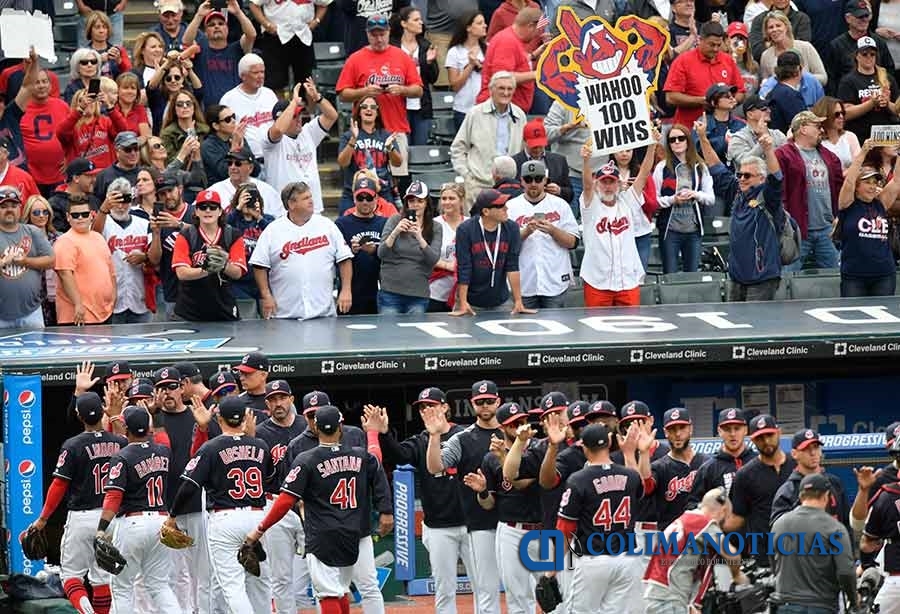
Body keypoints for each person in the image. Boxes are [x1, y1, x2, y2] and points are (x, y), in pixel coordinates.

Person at [243, 405, 394, 614]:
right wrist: (372, 434)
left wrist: (259, 529)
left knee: (329, 593)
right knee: (358, 588)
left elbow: (285, 500)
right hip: (357, 532)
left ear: (315, 427)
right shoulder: (360, 456)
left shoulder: (307, 459)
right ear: (341, 427)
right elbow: (376, 460)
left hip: (324, 535)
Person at [363, 389, 476, 614]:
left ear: (445, 407)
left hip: (471, 523)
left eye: (431, 405)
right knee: (444, 590)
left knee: (482, 586)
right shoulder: (422, 440)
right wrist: (384, 433)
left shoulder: (465, 435)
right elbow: (399, 455)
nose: (426, 410)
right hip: (439, 526)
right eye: (422, 407)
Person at [165, 396, 273, 614]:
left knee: (232, 586)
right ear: (244, 419)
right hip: (257, 517)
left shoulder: (211, 448)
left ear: (219, 418)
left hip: (226, 520)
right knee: (260, 582)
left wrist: (172, 516)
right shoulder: (261, 445)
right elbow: (271, 481)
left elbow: (188, 486)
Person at [25, 393, 125, 614]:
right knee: (102, 579)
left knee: (71, 577)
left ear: (79, 415)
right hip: (111, 517)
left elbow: (59, 485)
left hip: (82, 516)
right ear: (102, 410)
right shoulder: (120, 442)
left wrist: (42, 519)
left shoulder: (73, 444)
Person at [423, 381, 505, 614]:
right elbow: (435, 466)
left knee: (526, 589)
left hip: (515, 520)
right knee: (486, 590)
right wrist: (434, 436)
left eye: (489, 400)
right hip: (481, 524)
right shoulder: (464, 438)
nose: (485, 405)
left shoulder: (510, 432)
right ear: (472, 404)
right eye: (480, 402)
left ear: (498, 401)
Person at [94, 406, 179, 611]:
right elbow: (163, 440)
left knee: (123, 587)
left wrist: (101, 528)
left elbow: (114, 496)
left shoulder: (122, 456)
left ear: (126, 428)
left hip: (133, 522)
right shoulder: (164, 451)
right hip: (161, 521)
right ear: (148, 428)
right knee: (159, 585)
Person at [555, 423, 645, 614]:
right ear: (610, 442)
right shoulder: (630, 476)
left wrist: (550, 572)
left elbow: (565, 529)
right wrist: (629, 454)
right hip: (627, 560)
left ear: (584, 448)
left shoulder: (578, 479)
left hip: (593, 561)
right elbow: (641, 487)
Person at [695, 115, 787, 301]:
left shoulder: (768, 197)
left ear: (761, 178)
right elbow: (715, 166)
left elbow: (777, 178)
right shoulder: (736, 191)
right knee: (735, 326)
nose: (742, 178)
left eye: (747, 175)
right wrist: (703, 137)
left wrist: (768, 150)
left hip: (762, 278)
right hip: (736, 278)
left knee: (758, 325)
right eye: (740, 175)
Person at [253, 381, 314, 614]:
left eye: (282, 398)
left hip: (310, 506)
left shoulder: (307, 424)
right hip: (277, 505)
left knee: (319, 574)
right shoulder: (260, 432)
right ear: (267, 403)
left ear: (291, 399)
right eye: (272, 399)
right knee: (280, 578)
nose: (278, 403)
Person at [250, 182, 353, 320]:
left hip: (323, 313)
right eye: (305, 198)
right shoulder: (272, 230)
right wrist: (266, 295)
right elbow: (259, 265)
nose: (311, 201)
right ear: (291, 204)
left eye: (310, 196)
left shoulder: (327, 226)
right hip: (284, 314)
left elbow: (344, 259)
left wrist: (346, 289)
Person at [579, 133, 658, 308]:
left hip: (627, 280)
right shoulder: (590, 206)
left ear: (619, 184)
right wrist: (586, 162)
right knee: (596, 330)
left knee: (631, 331)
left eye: (612, 182)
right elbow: (586, 185)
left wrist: (652, 145)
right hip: (597, 280)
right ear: (597, 184)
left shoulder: (627, 201)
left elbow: (644, 173)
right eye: (604, 182)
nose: (607, 186)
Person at [643, 488, 746, 613]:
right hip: (669, 601)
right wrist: (737, 576)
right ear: (723, 510)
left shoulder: (685, 518)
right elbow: (731, 555)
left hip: (658, 595)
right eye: (728, 516)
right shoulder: (703, 523)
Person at [770, 473, 858, 613]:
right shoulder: (834, 528)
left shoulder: (778, 525)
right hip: (822, 606)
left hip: (785, 606)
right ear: (826, 496)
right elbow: (846, 572)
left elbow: (775, 565)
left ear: (800, 497)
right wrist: (854, 602)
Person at [506, 158, 579, 309]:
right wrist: (525, 232)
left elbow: (573, 242)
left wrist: (553, 231)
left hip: (555, 279)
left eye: (538, 179)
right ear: (521, 181)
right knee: (525, 329)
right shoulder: (510, 207)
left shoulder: (560, 205)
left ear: (545, 180)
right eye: (528, 179)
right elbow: (504, 246)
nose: (533, 183)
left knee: (557, 328)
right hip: (524, 282)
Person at [725, 414, 797, 566]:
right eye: (760, 438)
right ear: (752, 439)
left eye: (769, 435)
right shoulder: (745, 475)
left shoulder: (797, 465)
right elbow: (737, 518)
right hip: (764, 555)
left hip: (801, 550)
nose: (766, 441)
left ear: (779, 432)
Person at [451, 189, 533, 315]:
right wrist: (463, 302)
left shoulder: (512, 228)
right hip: (470, 301)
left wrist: (518, 302)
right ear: (486, 211)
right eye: (500, 206)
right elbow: (464, 267)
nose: (506, 208)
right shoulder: (465, 229)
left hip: (501, 301)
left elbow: (512, 266)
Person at [834, 141, 900, 296]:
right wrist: (862, 153)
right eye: (867, 182)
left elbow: (897, 181)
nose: (872, 186)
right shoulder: (847, 205)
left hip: (884, 274)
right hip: (854, 276)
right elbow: (849, 180)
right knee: (852, 316)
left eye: (875, 182)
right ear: (857, 187)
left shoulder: (880, 204)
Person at [171, 188, 247, 321]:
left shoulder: (232, 235)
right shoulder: (186, 235)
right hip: (190, 311)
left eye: (213, 207)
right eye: (202, 207)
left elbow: (238, 272)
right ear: (196, 211)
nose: (207, 210)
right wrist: (206, 269)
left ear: (220, 211)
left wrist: (224, 265)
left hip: (224, 309)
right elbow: (181, 273)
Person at [264, 80, 338, 214]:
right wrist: (293, 103)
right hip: (283, 212)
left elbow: (332, 116)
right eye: (294, 116)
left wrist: (318, 98)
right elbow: (279, 129)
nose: (299, 118)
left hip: (313, 209)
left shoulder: (308, 132)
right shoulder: (271, 141)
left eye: (299, 114)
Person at [377, 180, 443, 314]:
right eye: (411, 201)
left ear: (426, 203)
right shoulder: (395, 220)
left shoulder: (436, 227)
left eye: (420, 201)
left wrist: (419, 237)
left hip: (418, 294)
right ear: (406, 203)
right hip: (390, 291)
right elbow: (381, 253)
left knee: (415, 335)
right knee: (388, 332)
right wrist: (395, 232)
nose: (415, 205)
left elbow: (433, 259)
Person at [54, 199, 117, 325]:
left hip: (105, 313)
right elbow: (65, 275)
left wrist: (114, 297)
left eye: (85, 214)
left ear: (92, 215)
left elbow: (111, 271)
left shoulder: (98, 237)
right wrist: (78, 304)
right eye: (75, 215)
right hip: (78, 316)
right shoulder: (64, 241)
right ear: (68, 217)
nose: (80, 218)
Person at [0, 186, 55, 329]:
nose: (9, 210)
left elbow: (51, 260)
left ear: (20, 208)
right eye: (4, 206)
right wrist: (2, 262)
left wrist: (25, 261)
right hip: (1, 316)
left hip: (32, 311)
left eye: (13, 205)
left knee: (38, 351)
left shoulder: (33, 232)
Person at [335, 175, 389, 315]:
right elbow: (336, 259)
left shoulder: (385, 223)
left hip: (377, 290)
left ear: (376, 198)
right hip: (351, 291)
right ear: (354, 199)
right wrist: (350, 251)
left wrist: (374, 250)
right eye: (360, 198)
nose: (365, 202)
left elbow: (391, 256)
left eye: (369, 198)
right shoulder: (341, 224)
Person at [687, 408, 757, 506]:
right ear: (719, 431)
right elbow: (692, 504)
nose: (733, 434)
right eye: (727, 429)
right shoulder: (708, 469)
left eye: (737, 428)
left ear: (745, 430)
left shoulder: (758, 462)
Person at [445, 11, 488, 129]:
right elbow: (455, 86)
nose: (485, 25)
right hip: (463, 110)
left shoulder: (489, 49)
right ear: (468, 28)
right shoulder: (455, 52)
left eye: (484, 22)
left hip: (487, 108)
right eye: (480, 23)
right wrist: (470, 65)